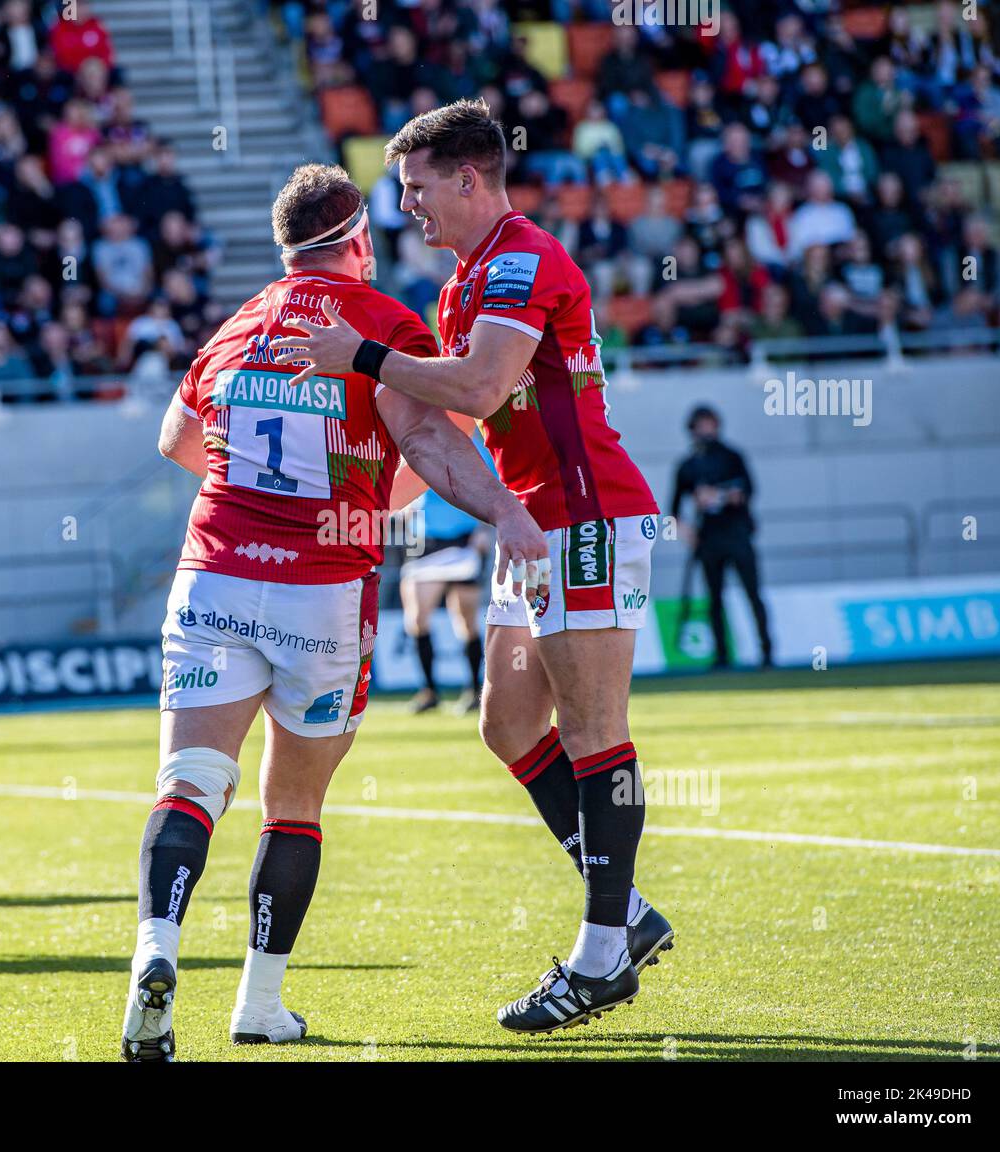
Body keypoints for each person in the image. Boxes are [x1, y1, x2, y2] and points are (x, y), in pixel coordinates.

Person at [121, 163, 547, 1062]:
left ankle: (154, 955)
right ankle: (259, 1003)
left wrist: (260, 496)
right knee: (294, 804)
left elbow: (176, 441)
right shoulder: (380, 322)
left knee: (190, 785)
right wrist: (504, 509)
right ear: (357, 240)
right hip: (321, 592)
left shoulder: (237, 325)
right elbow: (428, 440)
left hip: (216, 575)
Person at [272, 99, 674, 1035]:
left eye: (414, 189)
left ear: (469, 179)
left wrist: (363, 357)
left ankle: (601, 953)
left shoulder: (523, 256)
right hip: (529, 524)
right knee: (506, 722)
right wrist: (347, 503)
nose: (405, 207)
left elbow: (483, 385)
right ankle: (627, 913)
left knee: (592, 728)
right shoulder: (464, 285)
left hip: (586, 515)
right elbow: (446, 439)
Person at [670, 406, 773, 669]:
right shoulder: (687, 465)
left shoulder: (732, 457)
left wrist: (718, 496)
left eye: (710, 424)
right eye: (701, 426)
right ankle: (722, 655)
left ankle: (767, 652)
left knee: (753, 594)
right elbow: (672, 512)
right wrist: (685, 534)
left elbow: (748, 491)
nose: (706, 431)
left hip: (737, 534)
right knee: (714, 599)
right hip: (709, 539)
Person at [399, 480, 489, 715]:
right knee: (416, 620)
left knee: (466, 622)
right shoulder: (410, 449)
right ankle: (429, 691)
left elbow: (489, 487)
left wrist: (482, 528)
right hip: (424, 543)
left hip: (463, 540)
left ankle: (474, 690)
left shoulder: (476, 446)